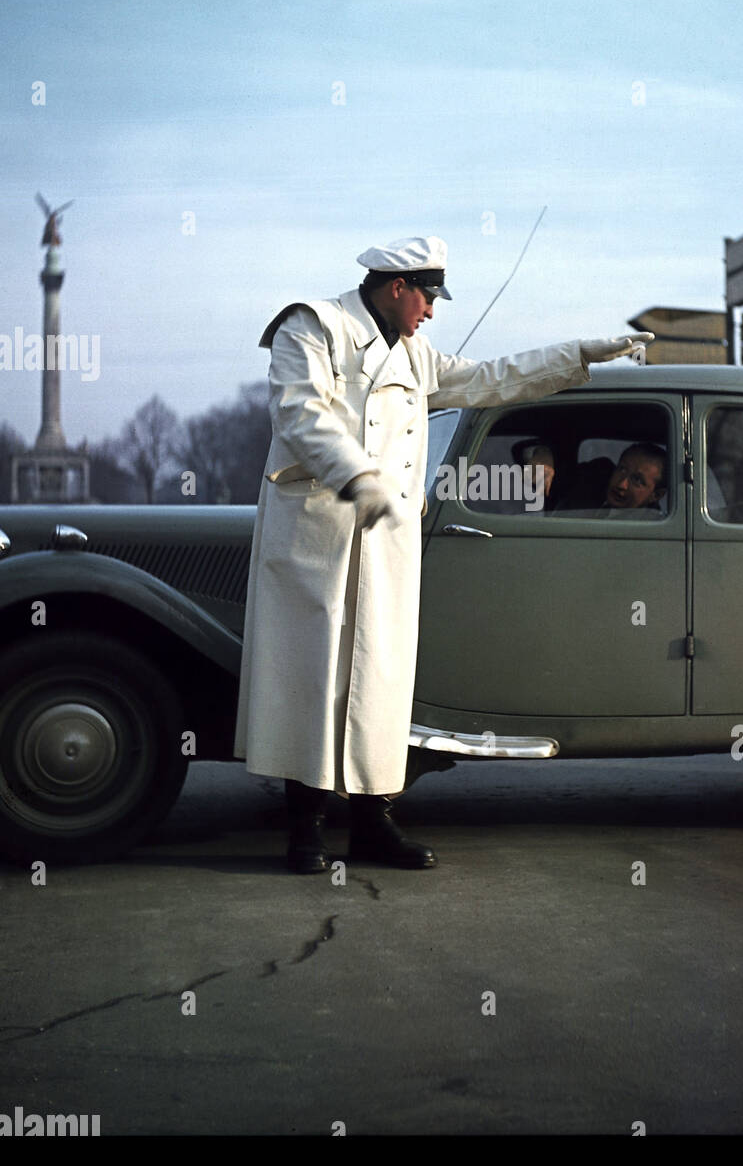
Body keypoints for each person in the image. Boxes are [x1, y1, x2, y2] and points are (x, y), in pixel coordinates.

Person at [234, 235, 653, 873]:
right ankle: (305, 830)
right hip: (318, 534)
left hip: (385, 541)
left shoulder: (416, 355)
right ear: (398, 287)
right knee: (309, 677)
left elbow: (491, 379)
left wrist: (580, 356)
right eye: (428, 297)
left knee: (379, 679)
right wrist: (357, 475)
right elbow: (299, 412)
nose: (431, 311)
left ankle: (374, 821)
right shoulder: (312, 326)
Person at [555, 442, 667, 515]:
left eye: (637, 480)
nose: (621, 485)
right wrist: (542, 454)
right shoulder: (589, 485)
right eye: (622, 470)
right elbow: (544, 483)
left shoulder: (652, 531)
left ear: (656, 495)